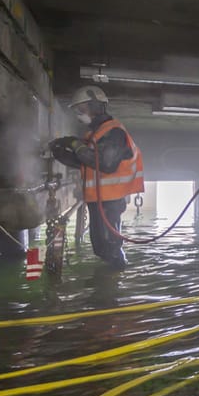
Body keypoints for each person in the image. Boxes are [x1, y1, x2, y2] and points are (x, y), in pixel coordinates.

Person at [49, 86, 144, 269]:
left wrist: (73, 143)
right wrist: (60, 152)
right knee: (101, 247)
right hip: (100, 199)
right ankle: (110, 284)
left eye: (81, 108)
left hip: (110, 200)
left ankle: (113, 287)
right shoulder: (96, 134)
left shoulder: (114, 132)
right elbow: (86, 163)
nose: (78, 113)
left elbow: (106, 164)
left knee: (109, 247)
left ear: (96, 106)